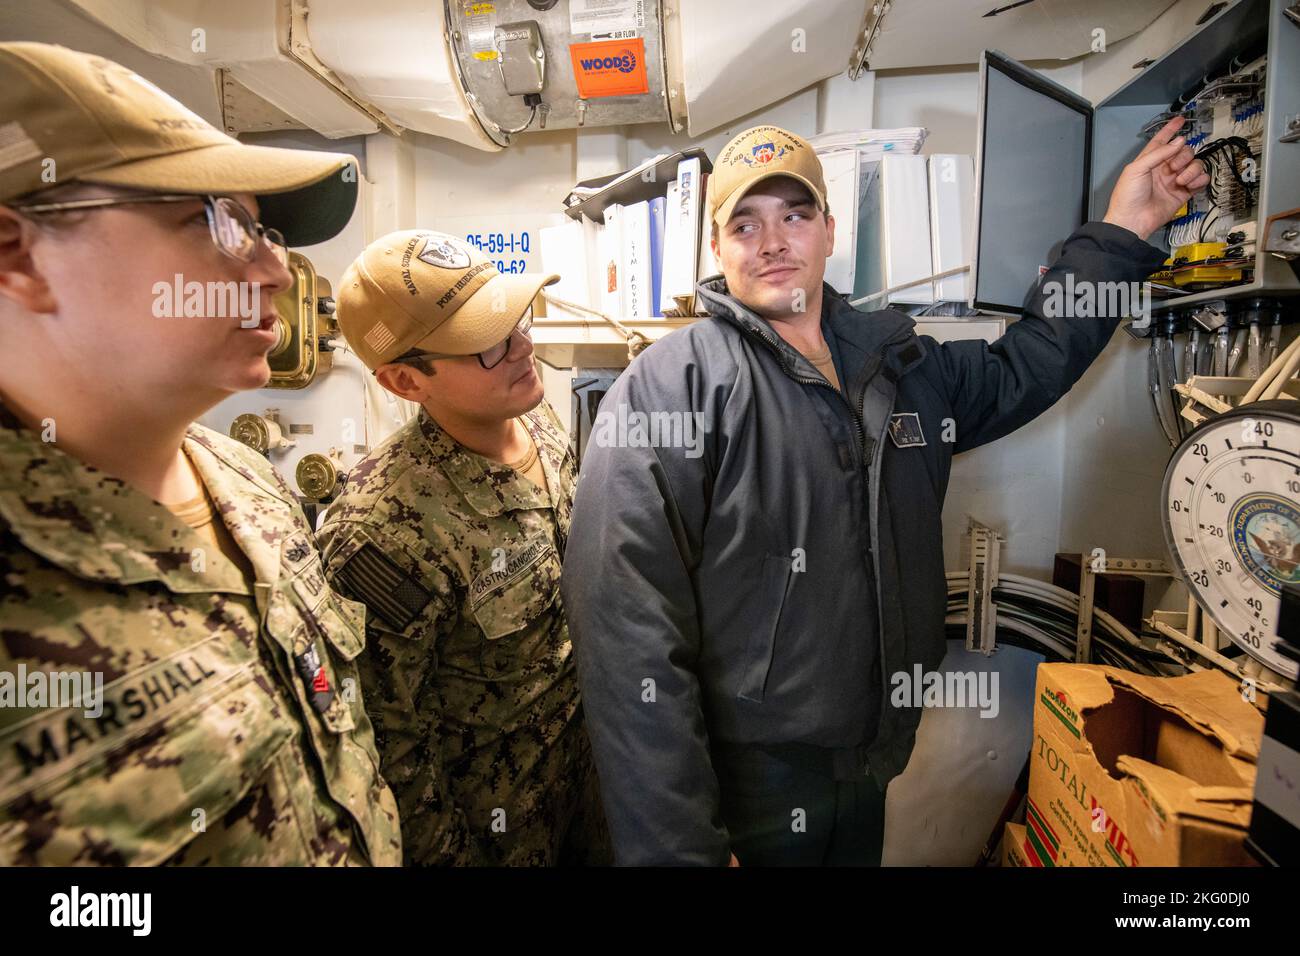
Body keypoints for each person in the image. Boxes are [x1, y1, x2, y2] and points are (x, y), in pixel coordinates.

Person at [561, 122, 1207, 865]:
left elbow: (1037, 359)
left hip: (872, 761)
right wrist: (678, 848)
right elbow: (624, 630)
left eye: (794, 216)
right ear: (716, 247)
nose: (772, 241)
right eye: (746, 223)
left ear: (830, 230)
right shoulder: (673, 386)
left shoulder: (904, 367)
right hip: (744, 786)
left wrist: (1125, 228)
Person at [0, 42, 401, 865]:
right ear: (19, 258)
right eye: (215, 221)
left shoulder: (243, 481)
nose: (276, 267)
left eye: (265, 228)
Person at [317, 230, 607, 865]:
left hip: (587, 799)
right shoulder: (381, 533)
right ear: (403, 380)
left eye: (516, 322)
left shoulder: (533, 419)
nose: (524, 347)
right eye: (489, 344)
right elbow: (388, 750)